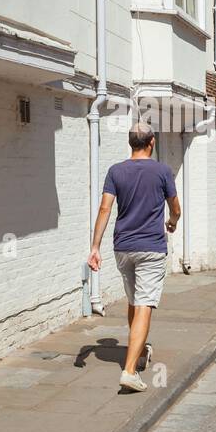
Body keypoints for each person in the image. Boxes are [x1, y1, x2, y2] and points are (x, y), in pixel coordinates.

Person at [87, 122, 180, 393]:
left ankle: (139, 353)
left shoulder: (116, 171)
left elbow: (105, 208)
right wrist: (172, 222)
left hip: (123, 247)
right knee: (144, 305)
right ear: (151, 142)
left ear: (131, 143)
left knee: (134, 301)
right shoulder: (162, 170)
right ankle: (129, 372)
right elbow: (175, 207)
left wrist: (95, 247)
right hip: (150, 248)